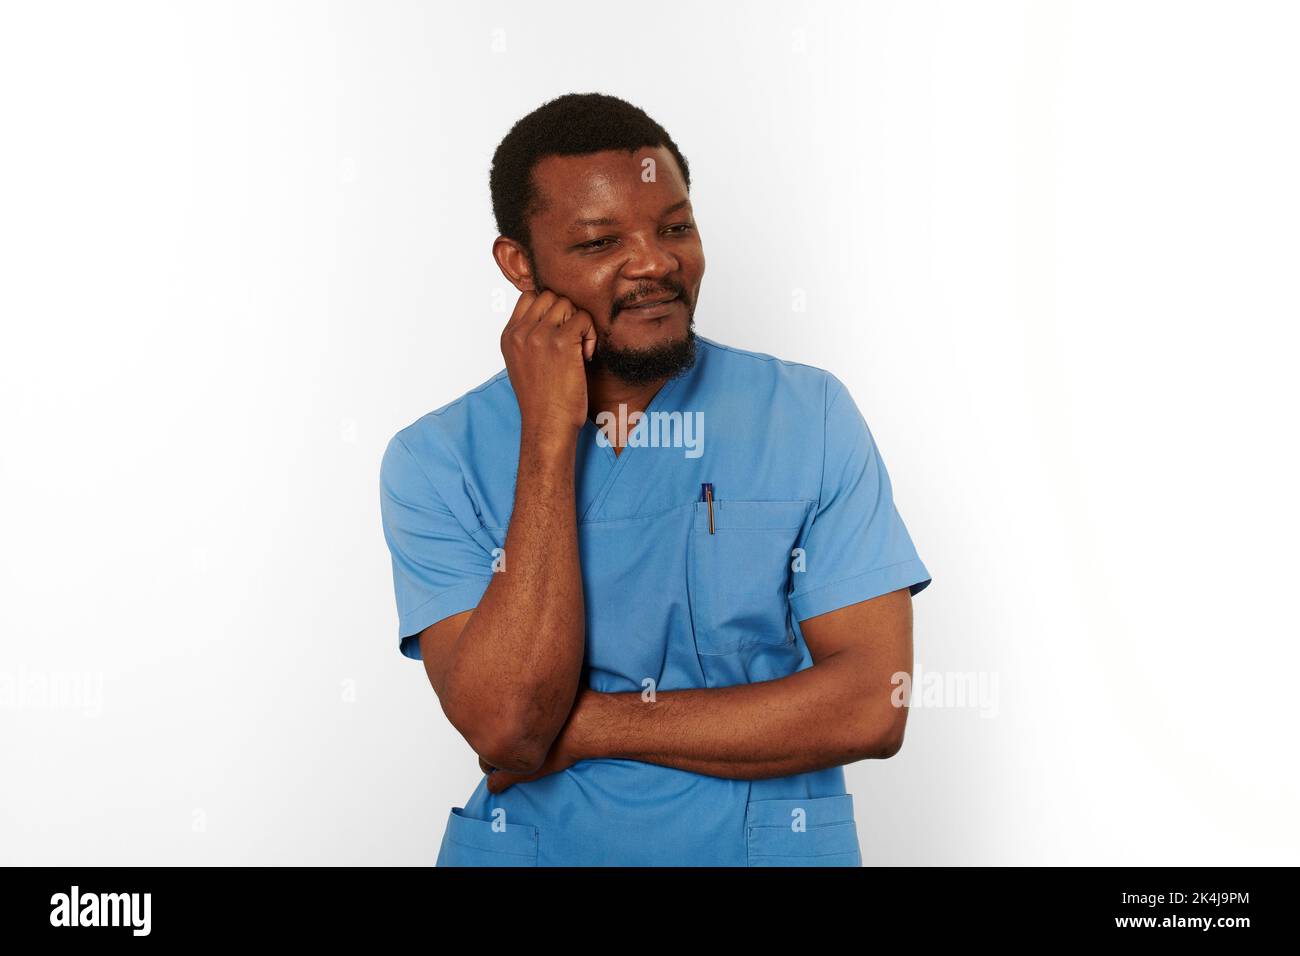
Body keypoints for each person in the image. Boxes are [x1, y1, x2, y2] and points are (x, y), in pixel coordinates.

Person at [379, 92, 931, 866]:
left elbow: (874, 703)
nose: (655, 262)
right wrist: (547, 435)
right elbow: (506, 727)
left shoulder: (805, 415)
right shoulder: (434, 459)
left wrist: (589, 726)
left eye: (675, 227)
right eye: (602, 240)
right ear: (519, 264)